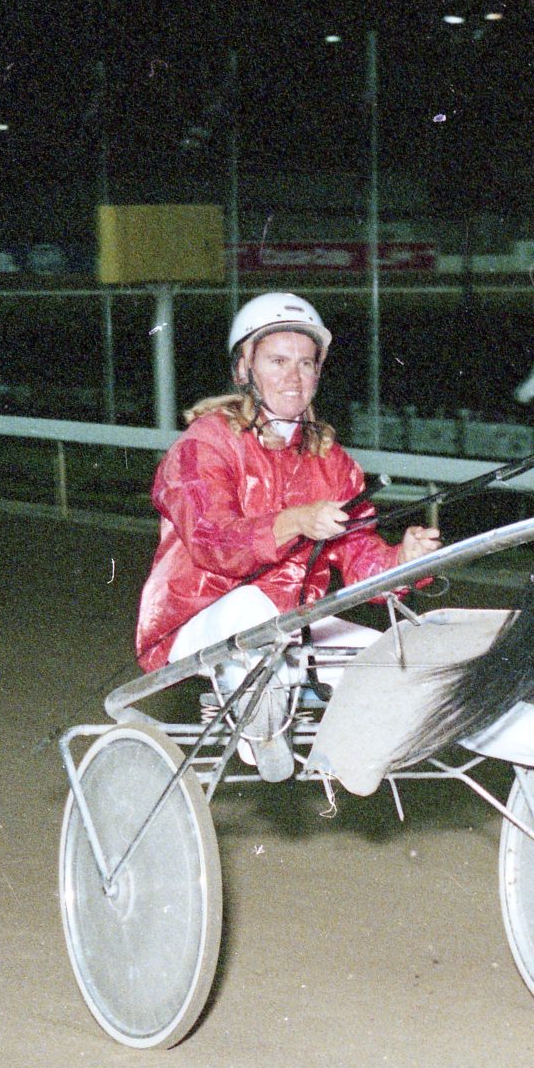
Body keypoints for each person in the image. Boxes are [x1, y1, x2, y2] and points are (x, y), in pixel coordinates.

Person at [134, 292, 440, 776]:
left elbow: (360, 558)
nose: (294, 377)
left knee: (398, 664)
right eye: (278, 361)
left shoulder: (333, 463)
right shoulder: (204, 445)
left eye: (306, 363)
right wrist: (295, 520)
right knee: (254, 610)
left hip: (293, 628)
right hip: (197, 625)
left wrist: (403, 560)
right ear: (244, 369)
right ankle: (261, 726)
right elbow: (214, 543)